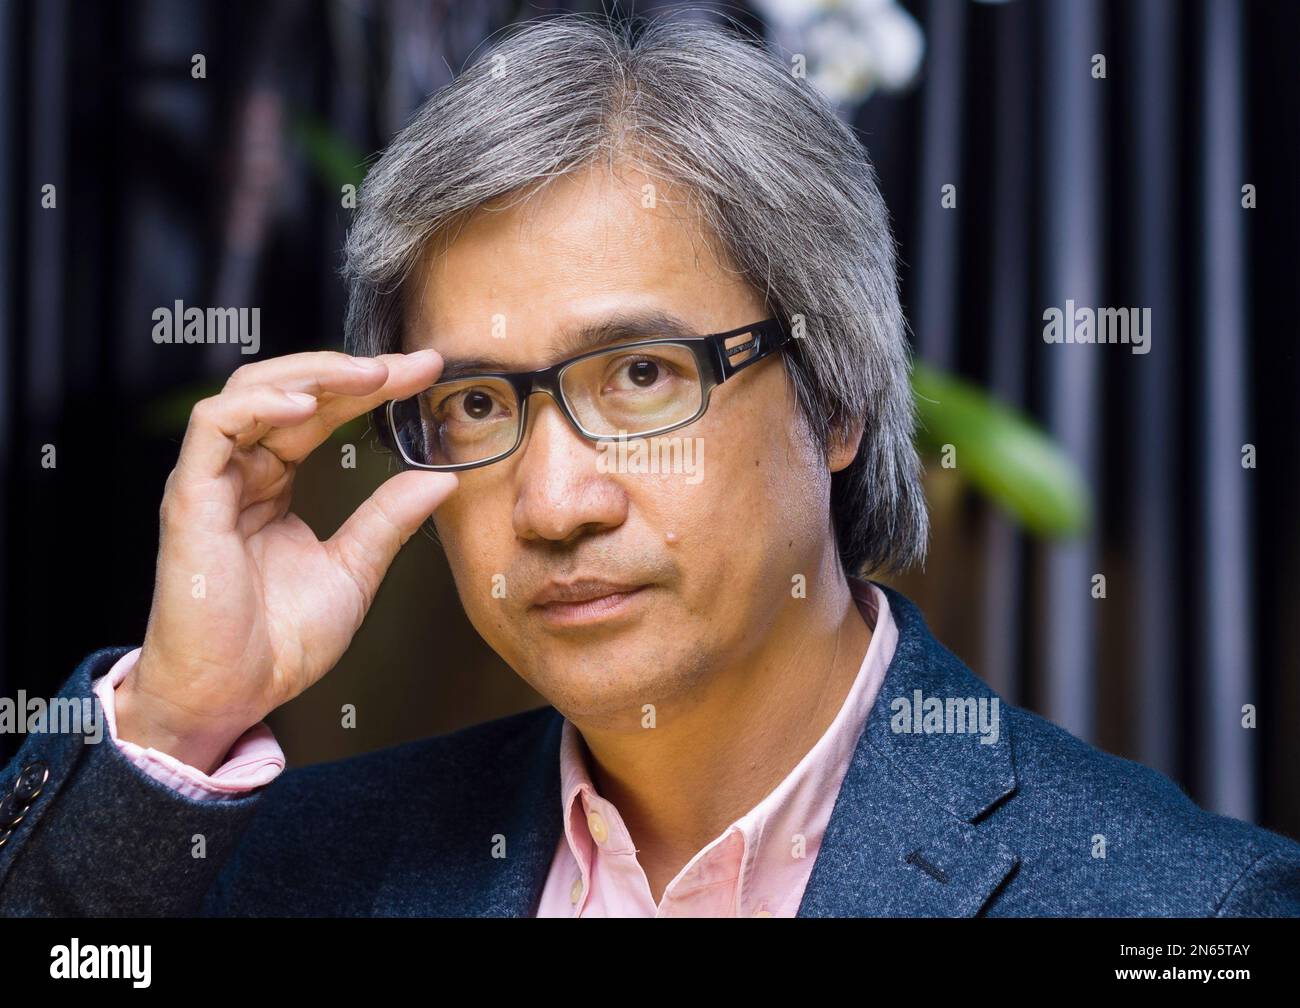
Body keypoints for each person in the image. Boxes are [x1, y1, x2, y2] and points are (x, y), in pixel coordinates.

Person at [2, 14, 1297, 918]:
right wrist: (177, 718)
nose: (557, 504)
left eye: (641, 379)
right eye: (471, 402)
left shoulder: (1177, 905)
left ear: (834, 396)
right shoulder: (290, 869)